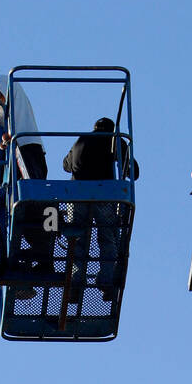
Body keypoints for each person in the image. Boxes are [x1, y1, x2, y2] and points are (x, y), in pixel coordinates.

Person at [61, 117, 139, 302]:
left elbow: (66, 166)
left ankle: (74, 286)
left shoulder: (81, 139)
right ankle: (106, 284)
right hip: (104, 194)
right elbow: (133, 172)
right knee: (108, 239)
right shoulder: (114, 140)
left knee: (77, 241)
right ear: (112, 130)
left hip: (77, 194)